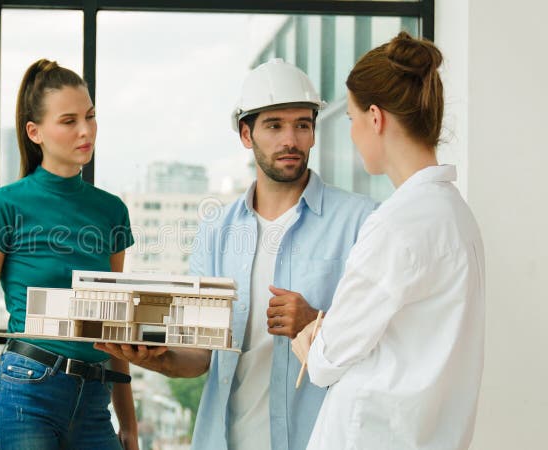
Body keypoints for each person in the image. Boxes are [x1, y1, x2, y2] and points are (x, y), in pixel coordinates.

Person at [96, 59, 377, 450]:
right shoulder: (215, 231)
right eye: (274, 125)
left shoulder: (362, 221)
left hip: (319, 439)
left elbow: (383, 341)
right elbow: (200, 356)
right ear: (246, 134)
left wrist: (318, 322)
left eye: (302, 124)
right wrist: (153, 358)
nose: (290, 140)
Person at [304, 32, 485, 450]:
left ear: (375, 117)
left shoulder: (396, 225)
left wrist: (312, 338)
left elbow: (326, 361)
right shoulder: (457, 217)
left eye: (350, 120)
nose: (350, 134)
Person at [0, 59, 138, 450]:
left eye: (90, 117)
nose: (86, 131)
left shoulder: (112, 212)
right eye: (69, 120)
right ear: (34, 132)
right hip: (25, 393)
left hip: (94, 400)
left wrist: (129, 424)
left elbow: (115, 327)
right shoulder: (1, 206)